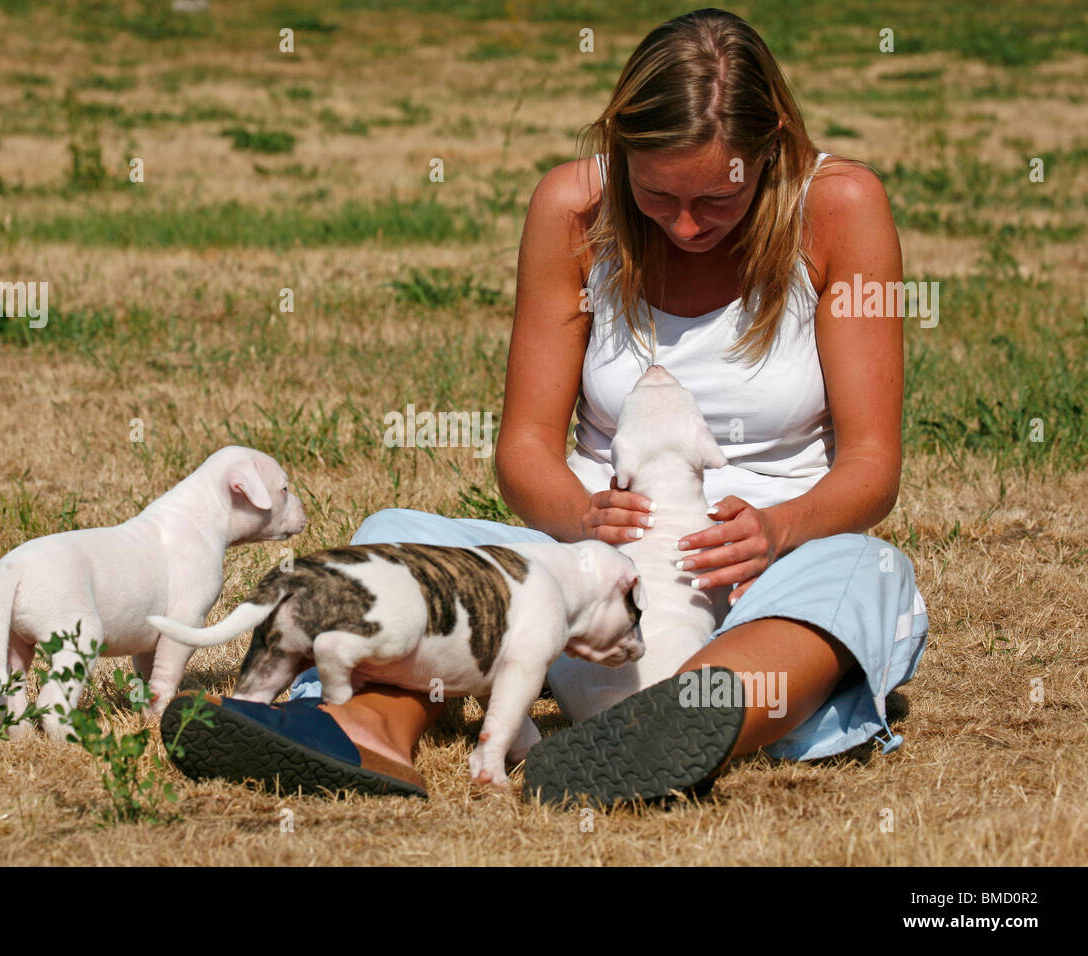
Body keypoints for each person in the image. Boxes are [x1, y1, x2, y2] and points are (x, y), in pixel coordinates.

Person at [162, 7, 929, 804]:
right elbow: (525, 449)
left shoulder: (841, 207)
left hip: (761, 577)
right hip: (581, 578)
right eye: (659, 195)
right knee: (398, 537)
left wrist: (776, 532)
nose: (687, 224)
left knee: (871, 574)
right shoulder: (573, 208)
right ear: (619, 147)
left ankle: (677, 720)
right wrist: (581, 517)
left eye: (717, 201)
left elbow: (872, 466)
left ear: (768, 146)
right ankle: (370, 737)